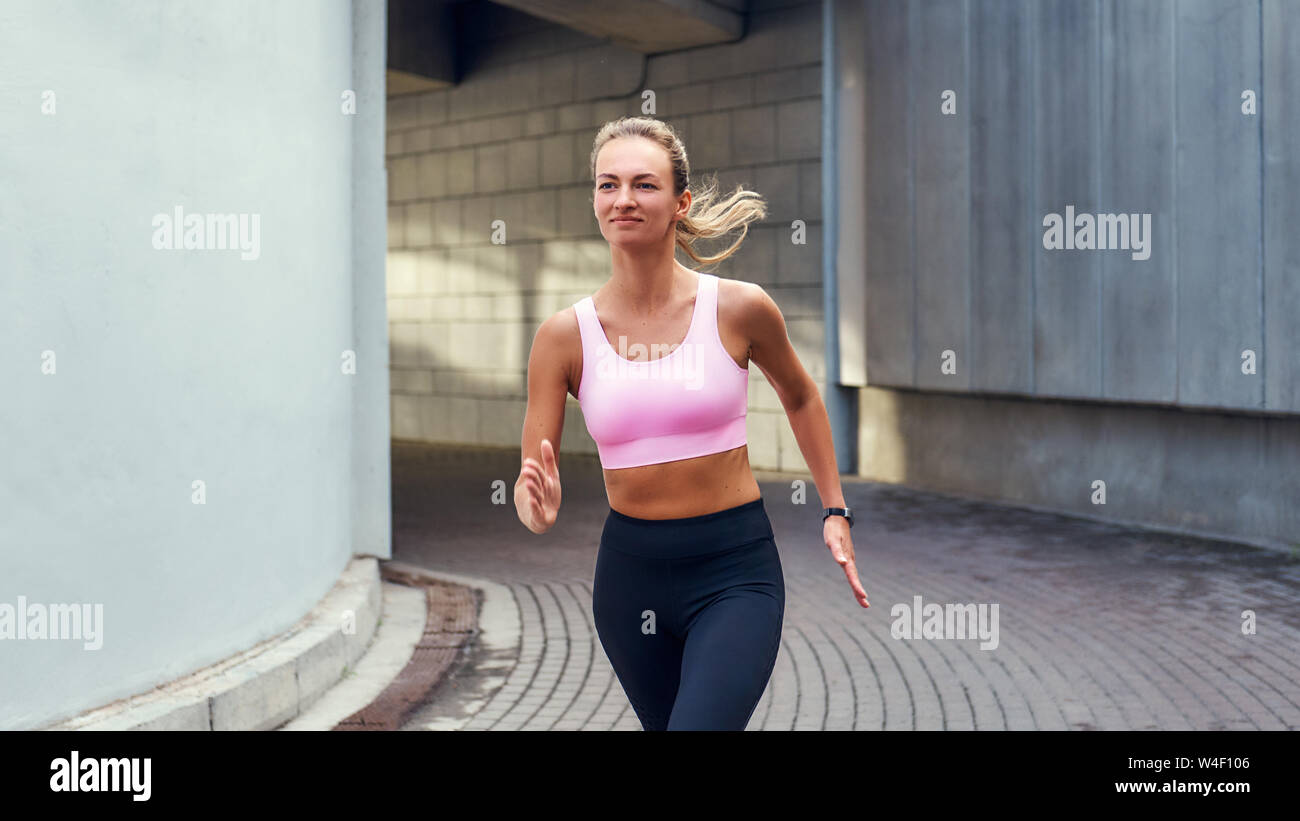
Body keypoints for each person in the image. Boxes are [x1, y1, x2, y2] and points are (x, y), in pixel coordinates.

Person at [514, 116, 868, 731]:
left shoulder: (739, 308)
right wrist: (533, 509)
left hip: (735, 571)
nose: (623, 199)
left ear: (679, 203)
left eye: (643, 185)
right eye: (608, 184)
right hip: (630, 581)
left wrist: (834, 509)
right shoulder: (563, 337)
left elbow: (803, 398)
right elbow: (529, 476)